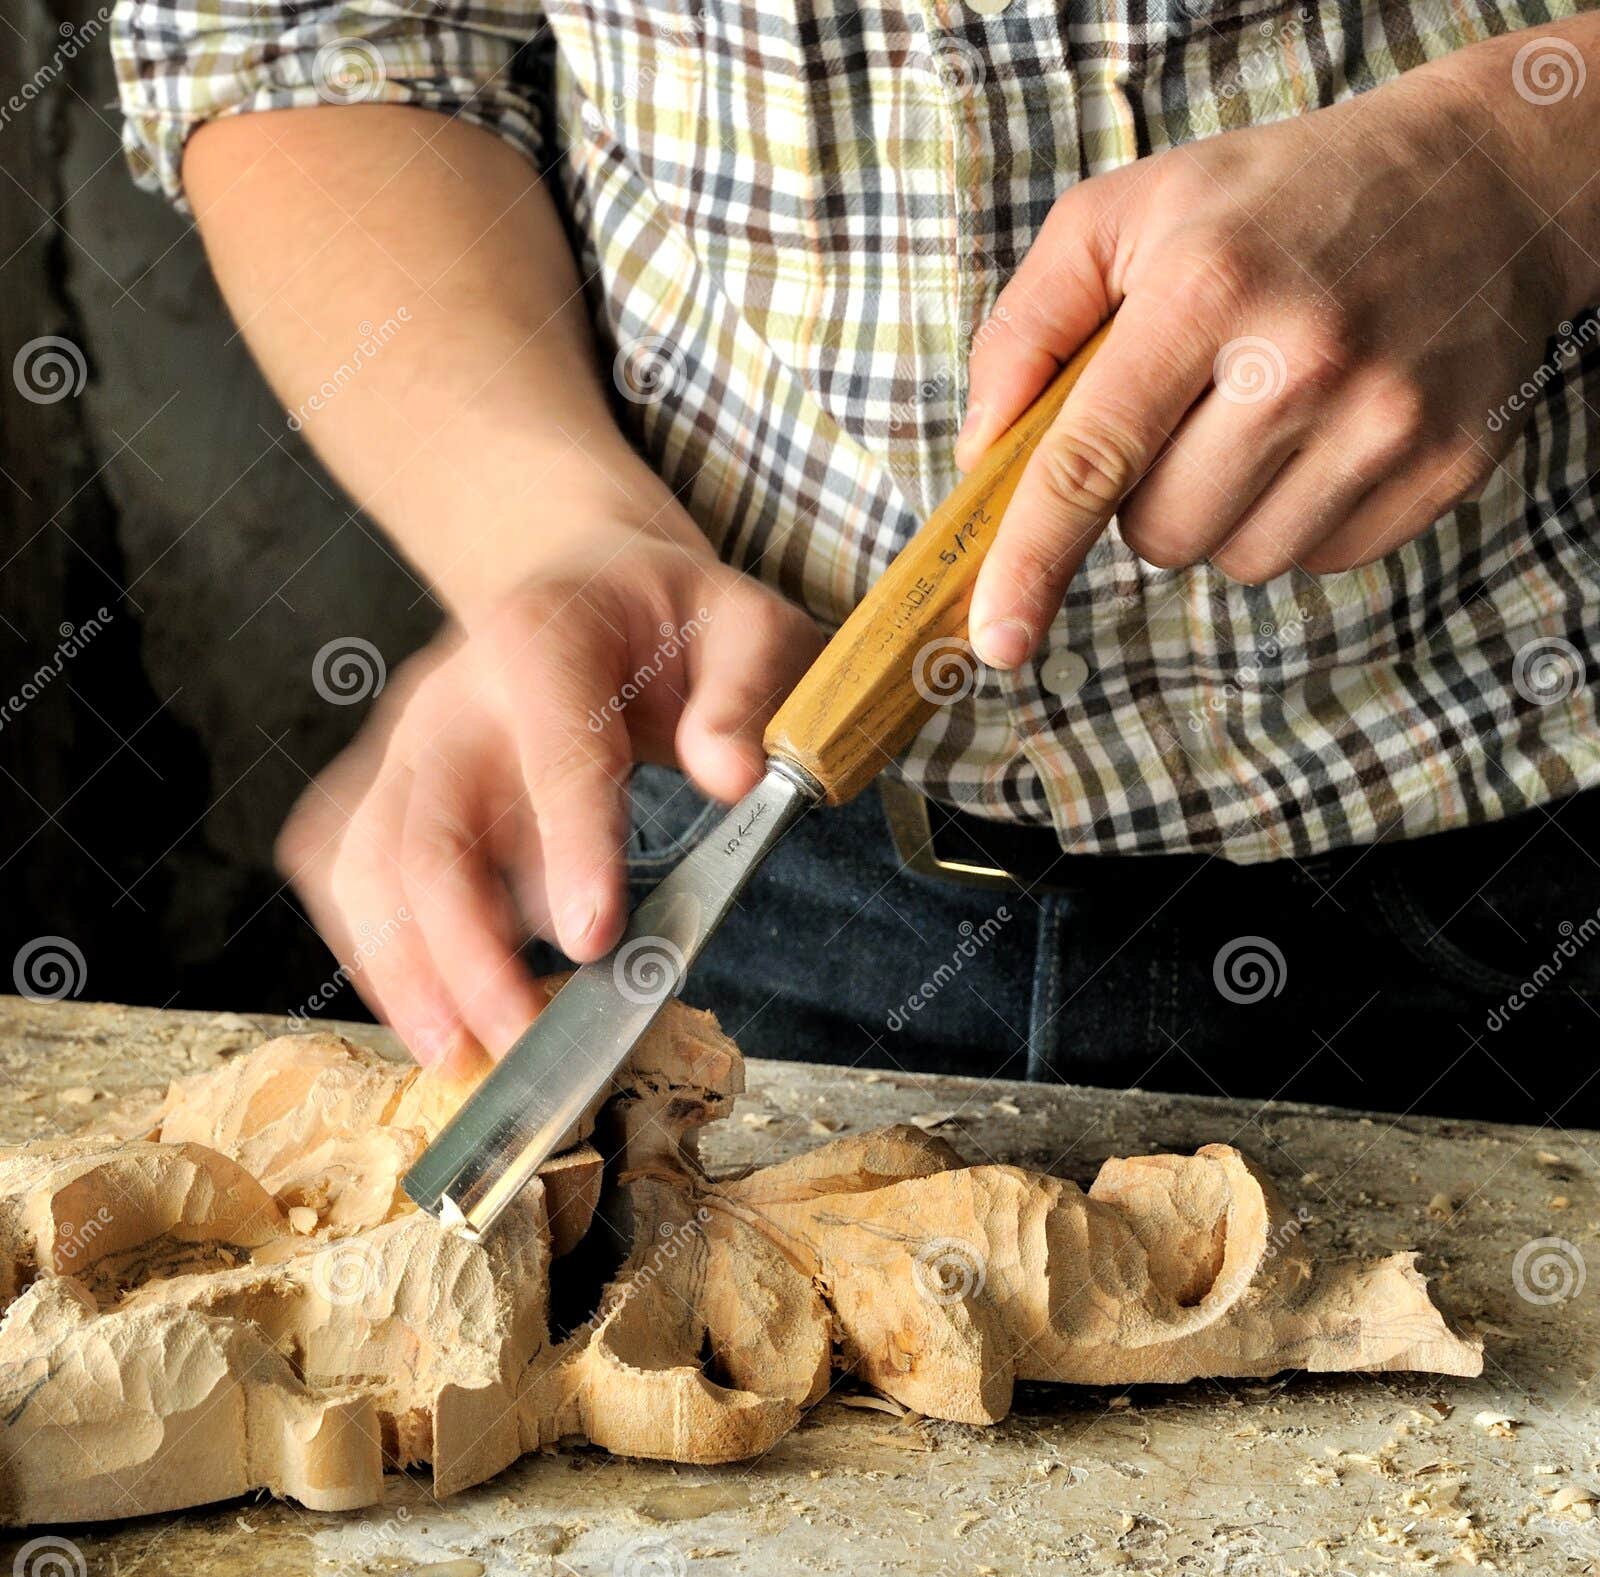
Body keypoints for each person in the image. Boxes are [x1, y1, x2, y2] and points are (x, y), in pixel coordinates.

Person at [112, 2, 1599, 1127]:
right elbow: (310, 37)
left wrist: (1528, 158)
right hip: (733, 846)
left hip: (1514, 857)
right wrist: (542, 530)